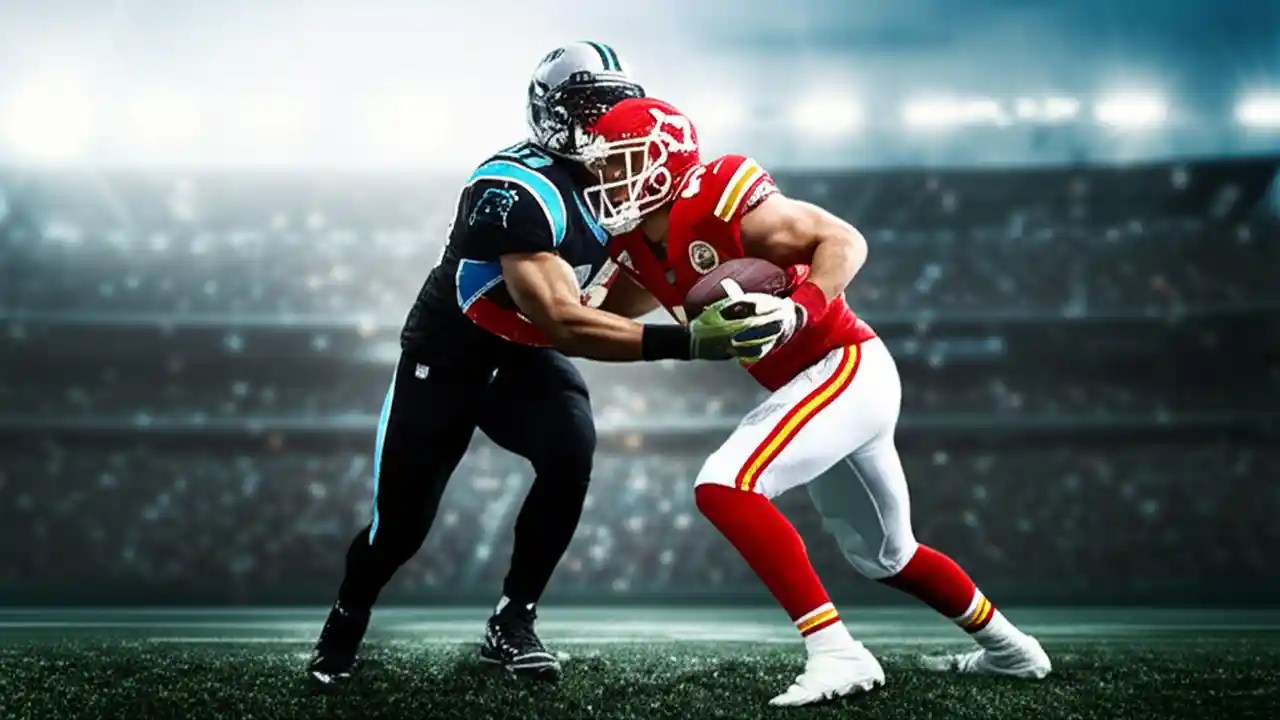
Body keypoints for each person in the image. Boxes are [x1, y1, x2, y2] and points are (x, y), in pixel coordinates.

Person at [307, 45, 776, 687]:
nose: (605, 118)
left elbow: (616, 287)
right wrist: (689, 340)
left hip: (525, 356)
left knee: (571, 451)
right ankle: (346, 617)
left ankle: (514, 620)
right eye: (588, 105)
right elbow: (562, 317)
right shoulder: (514, 188)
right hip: (450, 358)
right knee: (401, 527)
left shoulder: (627, 176)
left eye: (614, 104)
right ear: (550, 112)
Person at [578, 96, 1052, 707]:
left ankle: (837, 652)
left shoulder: (720, 200)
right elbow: (585, 324)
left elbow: (843, 240)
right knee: (886, 555)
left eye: (621, 163)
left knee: (726, 484)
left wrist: (799, 308)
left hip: (843, 364)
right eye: (602, 167)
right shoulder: (637, 250)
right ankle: (1013, 650)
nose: (607, 179)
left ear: (666, 158)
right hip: (827, 384)